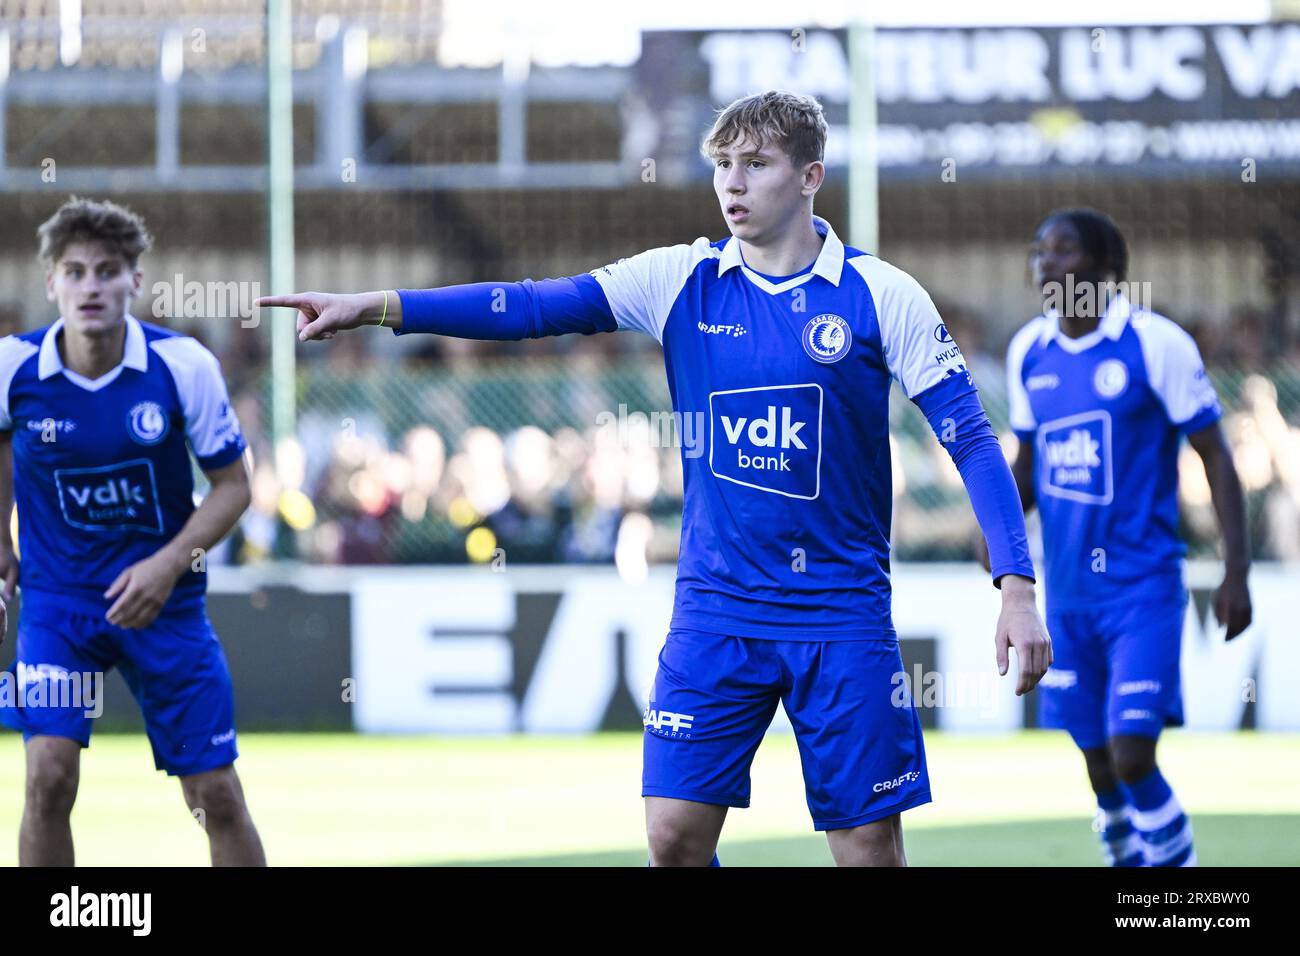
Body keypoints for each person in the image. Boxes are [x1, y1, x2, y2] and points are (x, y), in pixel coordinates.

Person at [259, 91, 1051, 867]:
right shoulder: (681, 278)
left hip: (839, 616)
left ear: (811, 176)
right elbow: (533, 306)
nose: (732, 184)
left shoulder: (883, 296)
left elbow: (973, 441)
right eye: (722, 166)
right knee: (672, 837)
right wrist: (385, 306)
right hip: (715, 608)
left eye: (757, 164)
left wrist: (1016, 586)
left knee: (868, 848)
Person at [0, 197, 265, 866]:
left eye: (108, 271)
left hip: (166, 607)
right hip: (59, 606)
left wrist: (169, 564)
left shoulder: (184, 368)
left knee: (216, 795)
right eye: (76, 271)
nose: (91, 286)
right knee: (48, 779)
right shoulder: (12, 368)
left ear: (135, 282)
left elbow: (235, 485)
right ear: (51, 281)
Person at [1001, 207, 1252, 867]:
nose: (1046, 262)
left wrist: (1237, 572)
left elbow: (1216, 457)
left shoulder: (1154, 344)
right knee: (1099, 764)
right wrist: (996, 535)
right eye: (1038, 251)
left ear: (1108, 268)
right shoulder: (1030, 351)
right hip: (1070, 598)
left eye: (1063, 250)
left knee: (1132, 752)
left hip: (1143, 590)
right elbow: (1026, 470)